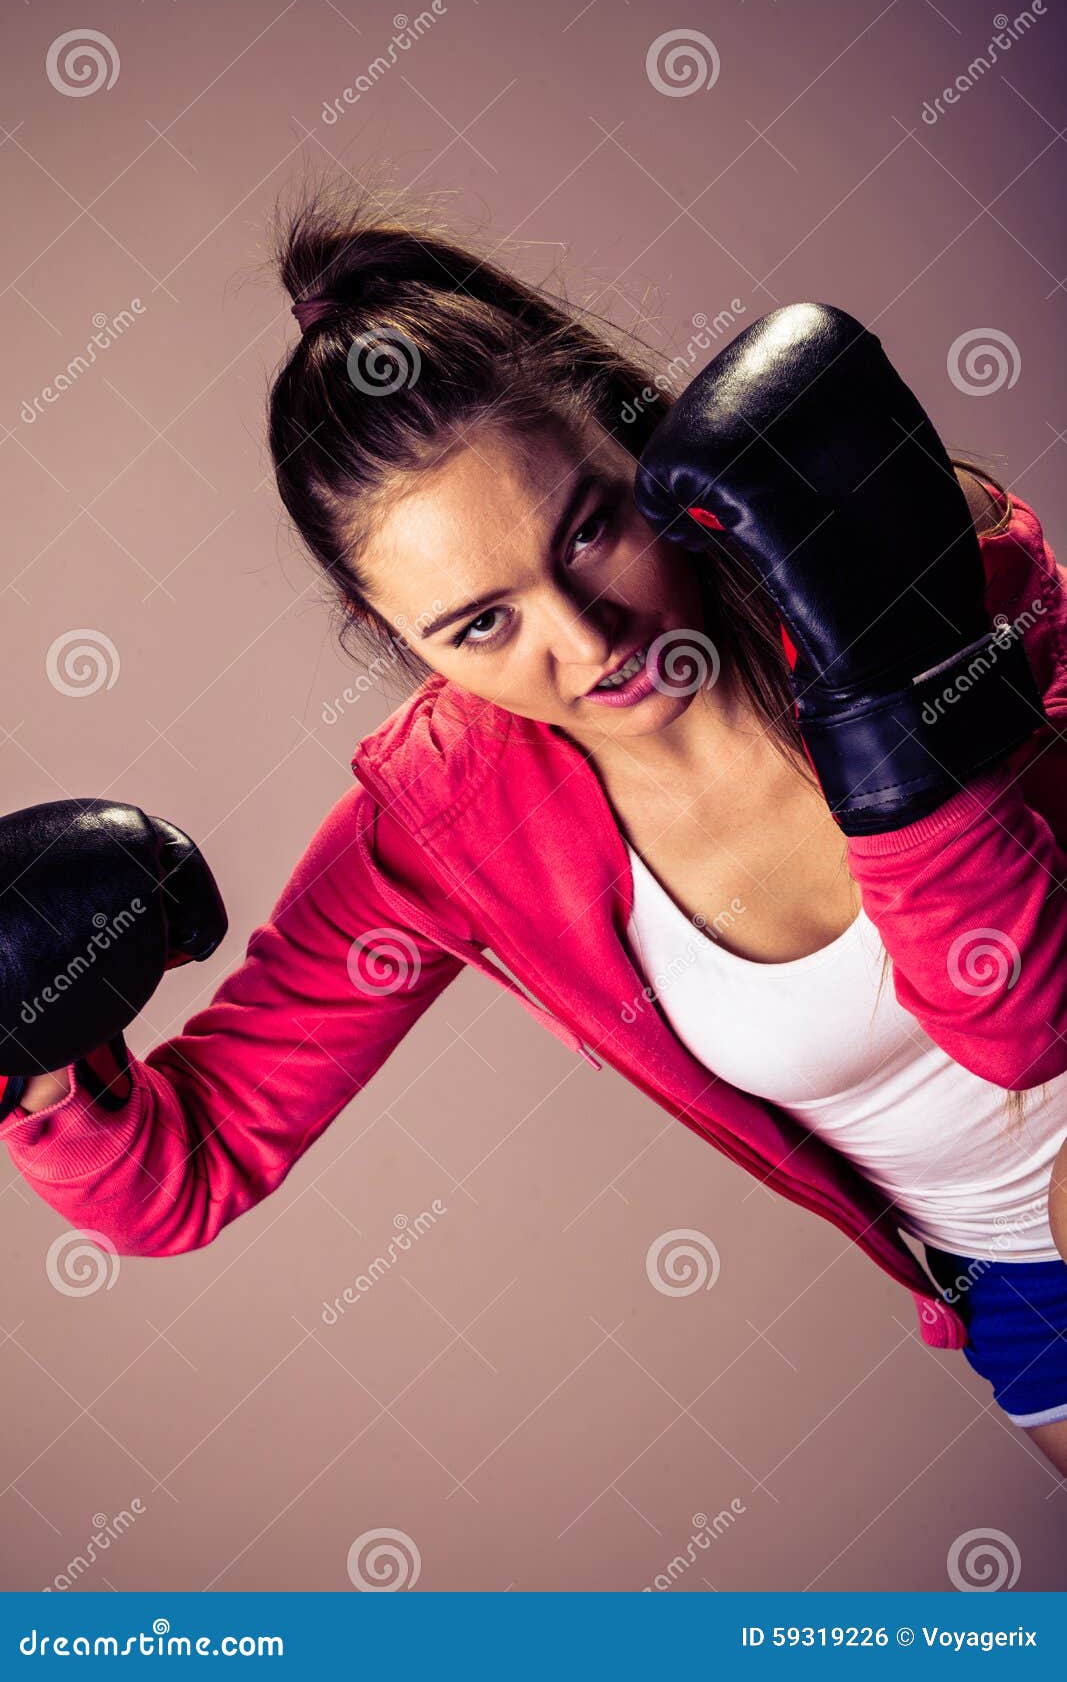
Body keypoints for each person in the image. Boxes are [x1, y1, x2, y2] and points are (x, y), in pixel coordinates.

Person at [7, 179, 1067, 1477]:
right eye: (482, 624)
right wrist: (32, 1044)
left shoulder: (892, 551)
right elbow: (183, 1174)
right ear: (399, 641)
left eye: (591, 532)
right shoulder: (450, 819)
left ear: (636, 441)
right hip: (1021, 1284)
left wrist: (885, 706)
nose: (586, 639)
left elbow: (1025, 1020)